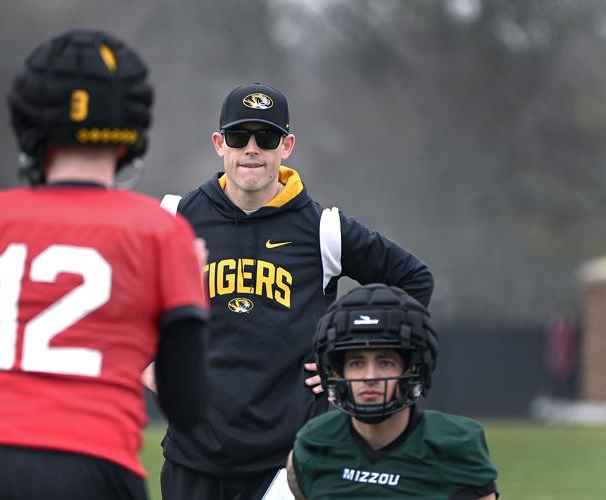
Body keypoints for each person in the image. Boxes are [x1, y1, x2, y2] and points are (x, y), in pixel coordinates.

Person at [0, 29, 210, 500]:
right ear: (131, 127)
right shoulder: (162, 233)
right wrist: (191, 289)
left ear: (29, 120)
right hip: (96, 470)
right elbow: (187, 406)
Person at [151, 83, 435, 500]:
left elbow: (415, 278)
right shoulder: (176, 217)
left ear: (286, 146)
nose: (251, 149)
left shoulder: (324, 229)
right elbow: (122, 298)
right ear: (218, 143)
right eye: (238, 137)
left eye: (265, 138)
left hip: (287, 463)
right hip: (193, 456)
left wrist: (346, 363)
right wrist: (146, 364)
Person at [287, 283, 499, 499]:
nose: (370, 377)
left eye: (385, 362)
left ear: (414, 367)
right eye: (357, 363)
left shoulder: (455, 449)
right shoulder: (314, 445)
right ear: (337, 371)